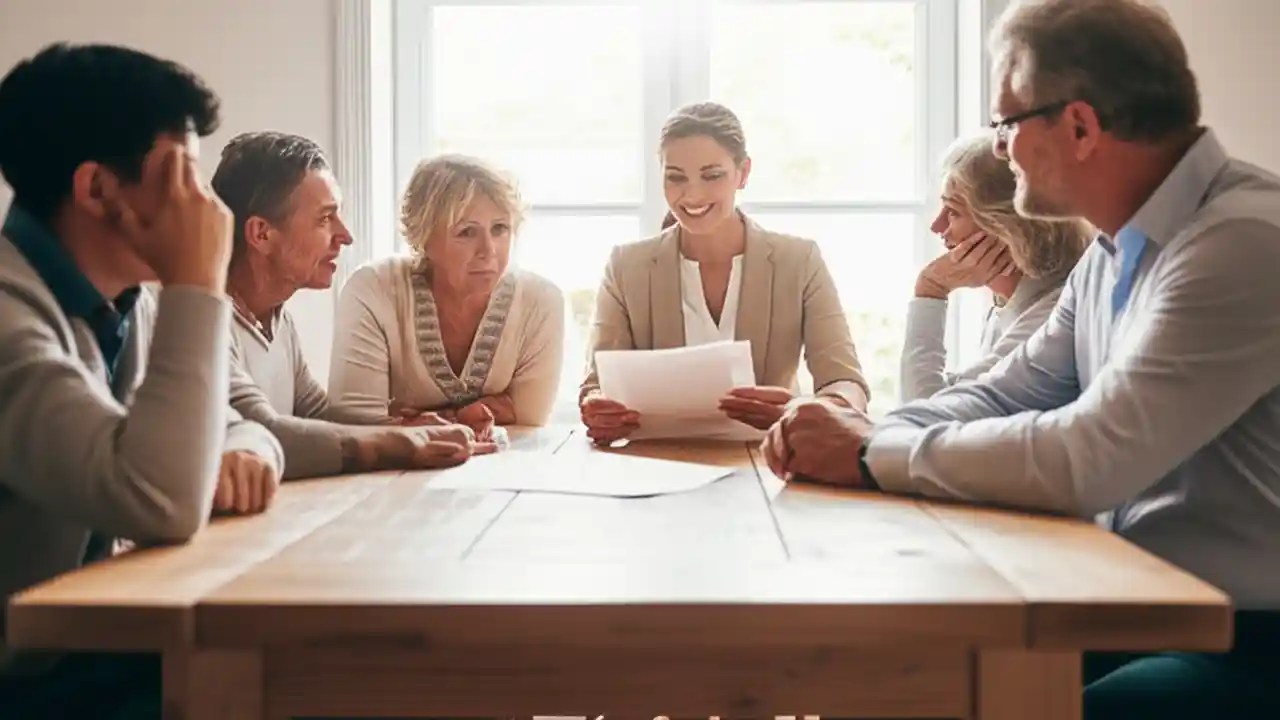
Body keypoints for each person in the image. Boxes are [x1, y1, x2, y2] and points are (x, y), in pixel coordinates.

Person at [763, 1, 1280, 717]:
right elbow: (1005, 392)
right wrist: (850, 432)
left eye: (1006, 121)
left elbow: (1090, 455)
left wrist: (870, 451)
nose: (998, 148)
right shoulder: (1111, 252)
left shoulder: (1239, 244)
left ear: (1079, 126)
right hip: (1127, 603)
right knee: (879, 679)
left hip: (1247, 638)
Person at [0, 43, 284, 718]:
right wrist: (199, 280)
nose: (207, 204)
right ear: (97, 189)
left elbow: (242, 420)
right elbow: (159, 496)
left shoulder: (131, 301)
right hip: (26, 683)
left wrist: (245, 449)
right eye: (181, 172)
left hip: (91, 651)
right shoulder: (10, 317)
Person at [580, 102, 868, 445]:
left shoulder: (799, 261)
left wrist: (805, 411)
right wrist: (597, 407)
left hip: (770, 461)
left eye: (712, 175)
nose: (692, 194)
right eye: (675, 177)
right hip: (657, 463)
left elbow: (846, 383)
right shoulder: (626, 267)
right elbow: (595, 384)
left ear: (743, 173)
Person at [213, 132, 497, 479]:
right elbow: (265, 430)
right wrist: (405, 443)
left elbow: (323, 419)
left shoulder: (276, 319)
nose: (345, 235)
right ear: (261, 234)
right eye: (324, 219)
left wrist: (411, 426)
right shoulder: (206, 322)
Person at [328, 154, 565, 431]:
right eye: (466, 232)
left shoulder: (541, 301)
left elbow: (528, 420)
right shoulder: (373, 289)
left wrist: (416, 421)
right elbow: (354, 426)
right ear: (424, 238)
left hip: (507, 468)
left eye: (500, 229)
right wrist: (476, 414)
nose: (488, 250)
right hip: (393, 472)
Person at [902, 132, 1091, 400]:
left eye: (953, 212)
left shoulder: (1049, 317)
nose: (937, 226)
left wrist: (930, 289)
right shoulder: (1008, 303)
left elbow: (923, 412)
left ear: (1008, 229)